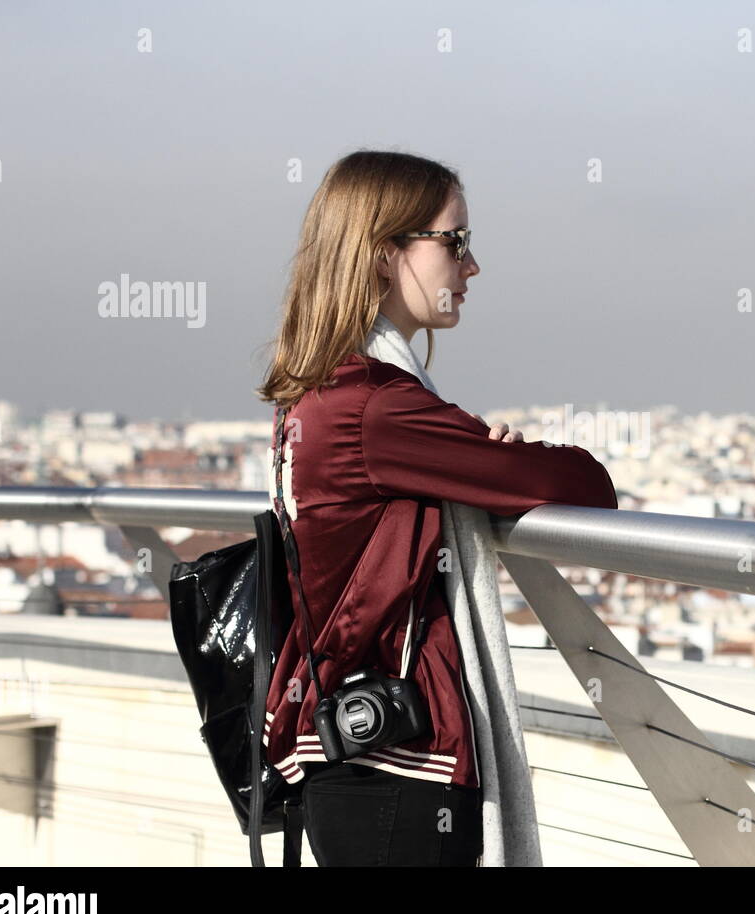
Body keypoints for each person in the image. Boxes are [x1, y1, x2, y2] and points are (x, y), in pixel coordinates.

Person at [254, 150, 618, 866]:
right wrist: (493, 454)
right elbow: (587, 487)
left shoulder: (317, 398)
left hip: (349, 755)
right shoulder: (377, 410)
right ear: (386, 252)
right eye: (454, 242)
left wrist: (469, 455)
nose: (470, 267)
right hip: (396, 761)